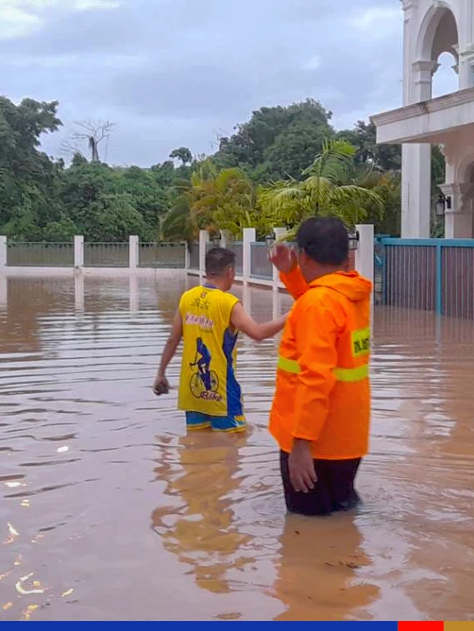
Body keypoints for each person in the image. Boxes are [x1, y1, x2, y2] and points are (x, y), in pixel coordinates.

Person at [268, 217, 372, 516]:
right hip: (347, 438)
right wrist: (291, 273)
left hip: (315, 443)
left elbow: (316, 377)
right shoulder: (350, 295)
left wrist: (301, 445)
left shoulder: (318, 304)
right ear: (347, 255)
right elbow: (316, 300)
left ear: (303, 254)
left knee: (308, 534)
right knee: (340, 521)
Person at [154, 247, 286, 433]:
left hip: (192, 393)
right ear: (230, 272)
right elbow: (258, 333)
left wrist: (161, 373)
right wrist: (290, 315)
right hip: (222, 392)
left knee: (196, 447)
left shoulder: (187, 298)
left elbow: (172, 339)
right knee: (234, 443)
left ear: (207, 271)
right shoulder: (228, 303)